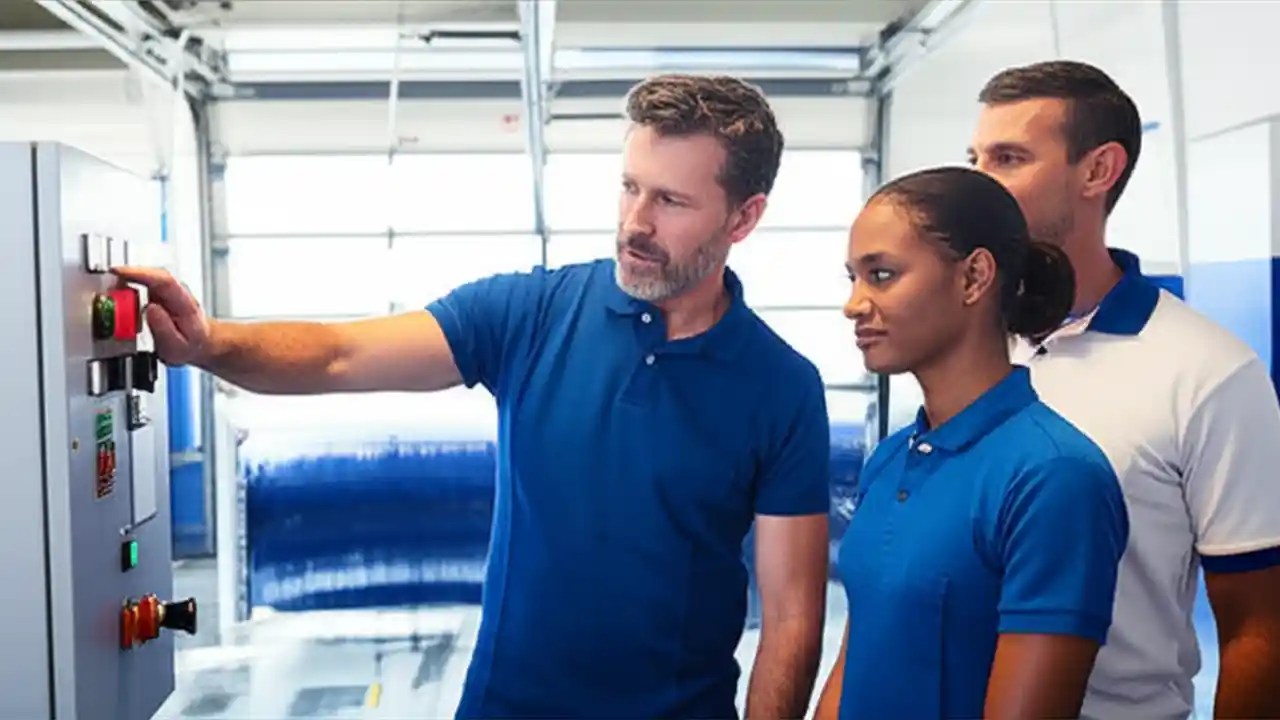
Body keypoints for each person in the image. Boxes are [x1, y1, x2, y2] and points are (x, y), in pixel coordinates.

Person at [115, 74, 832, 719]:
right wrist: (209, 343)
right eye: (629, 187)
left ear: (743, 218)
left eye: (670, 200)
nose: (635, 222)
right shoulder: (531, 314)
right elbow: (339, 355)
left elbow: (793, 618)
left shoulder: (782, 387)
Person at [968, 59, 1280, 719]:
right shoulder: (963, 344)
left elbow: (1259, 629)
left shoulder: (1209, 373)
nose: (978, 184)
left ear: (1098, 170)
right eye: (976, 159)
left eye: (1008, 159)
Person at [811, 166, 1130, 719]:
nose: (854, 304)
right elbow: (857, 658)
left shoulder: (1054, 476)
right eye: (853, 279)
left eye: (881, 275)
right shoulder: (891, 459)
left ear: (974, 277)